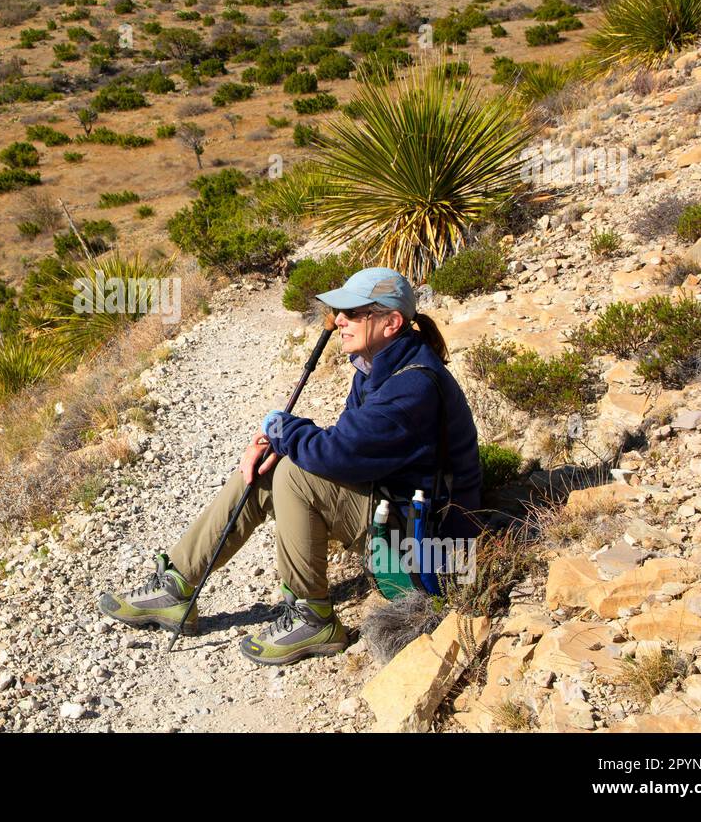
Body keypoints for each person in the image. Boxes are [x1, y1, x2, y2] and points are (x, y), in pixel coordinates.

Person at [98, 267, 484, 666]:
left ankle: (313, 617)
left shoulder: (412, 386)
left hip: (436, 553)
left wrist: (276, 427)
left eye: (353, 313)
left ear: (391, 323)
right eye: (340, 312)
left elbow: (340, 454)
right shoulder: (377, 368)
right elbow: (351, 443)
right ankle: (176, 584)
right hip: (399, 513)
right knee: (271, 466)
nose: (338, 321)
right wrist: (276, 443)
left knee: (296, 474)